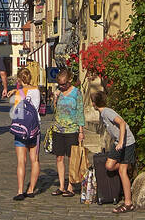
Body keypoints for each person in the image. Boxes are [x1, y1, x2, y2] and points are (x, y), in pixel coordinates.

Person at [91, 91, 136, 211]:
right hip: (118, 144)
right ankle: (128, 166)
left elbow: (122, 123)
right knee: (109, 166)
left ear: (94, 104)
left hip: (127, 142)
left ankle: (128, 203)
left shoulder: (107, 112)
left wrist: (121, 141)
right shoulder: (103, 113)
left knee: (122, 171)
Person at [50, 67, 84, 196]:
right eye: (60, 84)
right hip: (58, 129)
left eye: (64, 84)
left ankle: (70, 186)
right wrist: (55, 98)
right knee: (59, 157)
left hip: (72, 130)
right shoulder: (58, 92)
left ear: (69, 80)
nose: (62, 86)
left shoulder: (76, 93)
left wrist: (81, 131)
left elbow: (80, 112)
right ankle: (61, 186)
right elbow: (54, 111)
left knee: (71, 158)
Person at [9, 66, 41, 200]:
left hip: (21, 129)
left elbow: (16, 112)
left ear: (19, 79)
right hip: (34, 128)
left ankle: (20, 190)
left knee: (21, 161)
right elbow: (37, 107)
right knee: (34, 160)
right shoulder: (36, 91)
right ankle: (31, 189)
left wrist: (17, 91)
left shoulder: (19, 92)